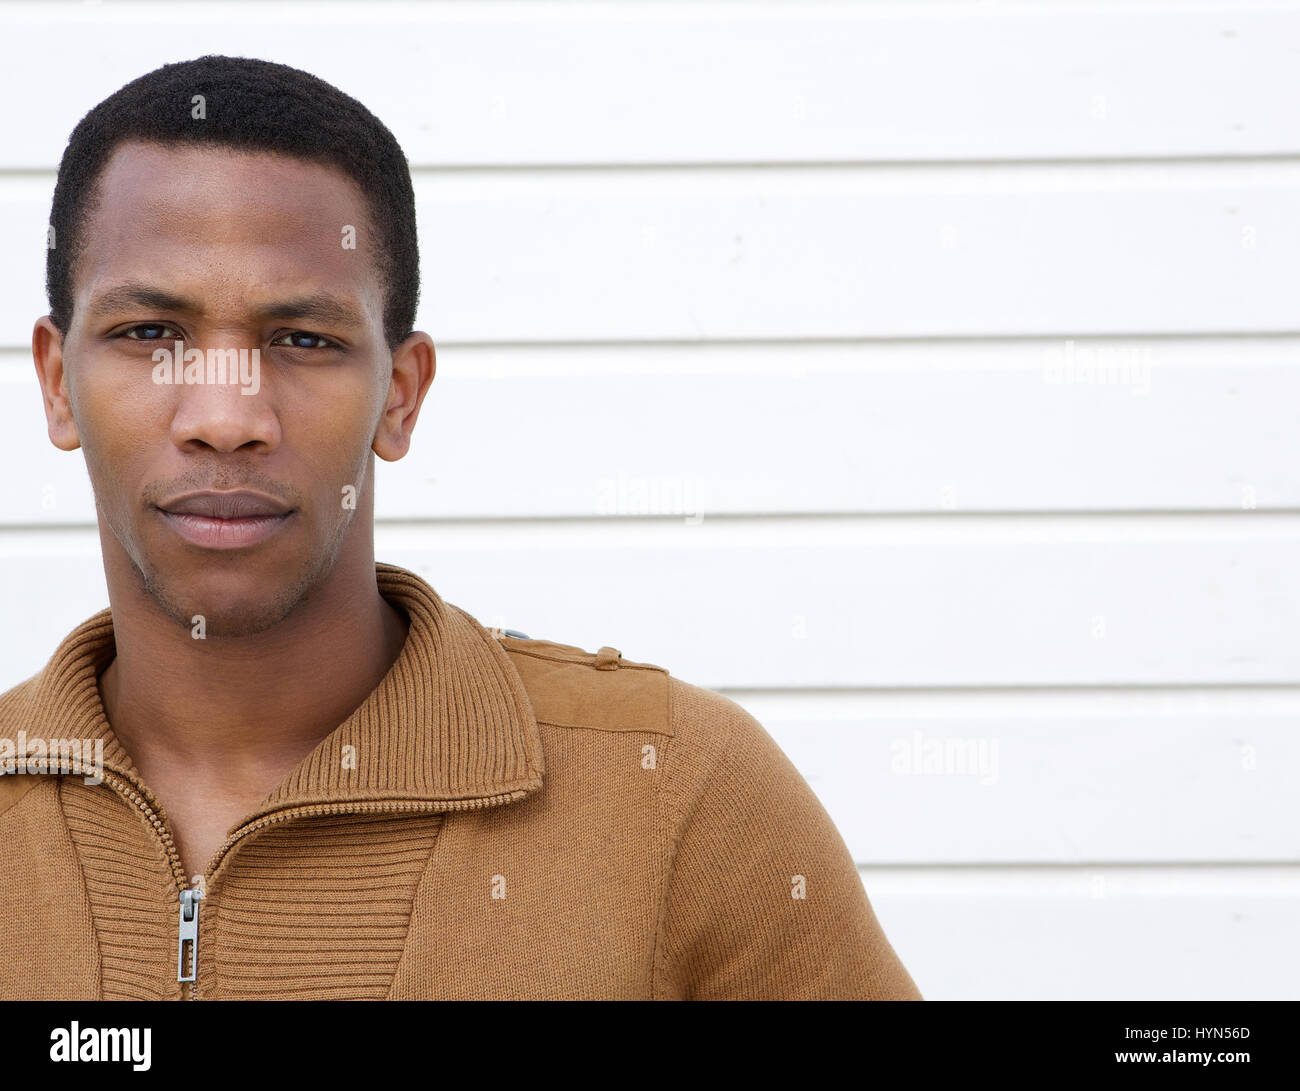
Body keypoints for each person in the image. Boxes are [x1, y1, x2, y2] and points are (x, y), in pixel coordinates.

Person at [0, 55, 921, 1001]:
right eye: (151, 333)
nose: (228, 416)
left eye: (303, 340)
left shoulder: (678, 793)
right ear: (56, 383)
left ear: (400, 398)